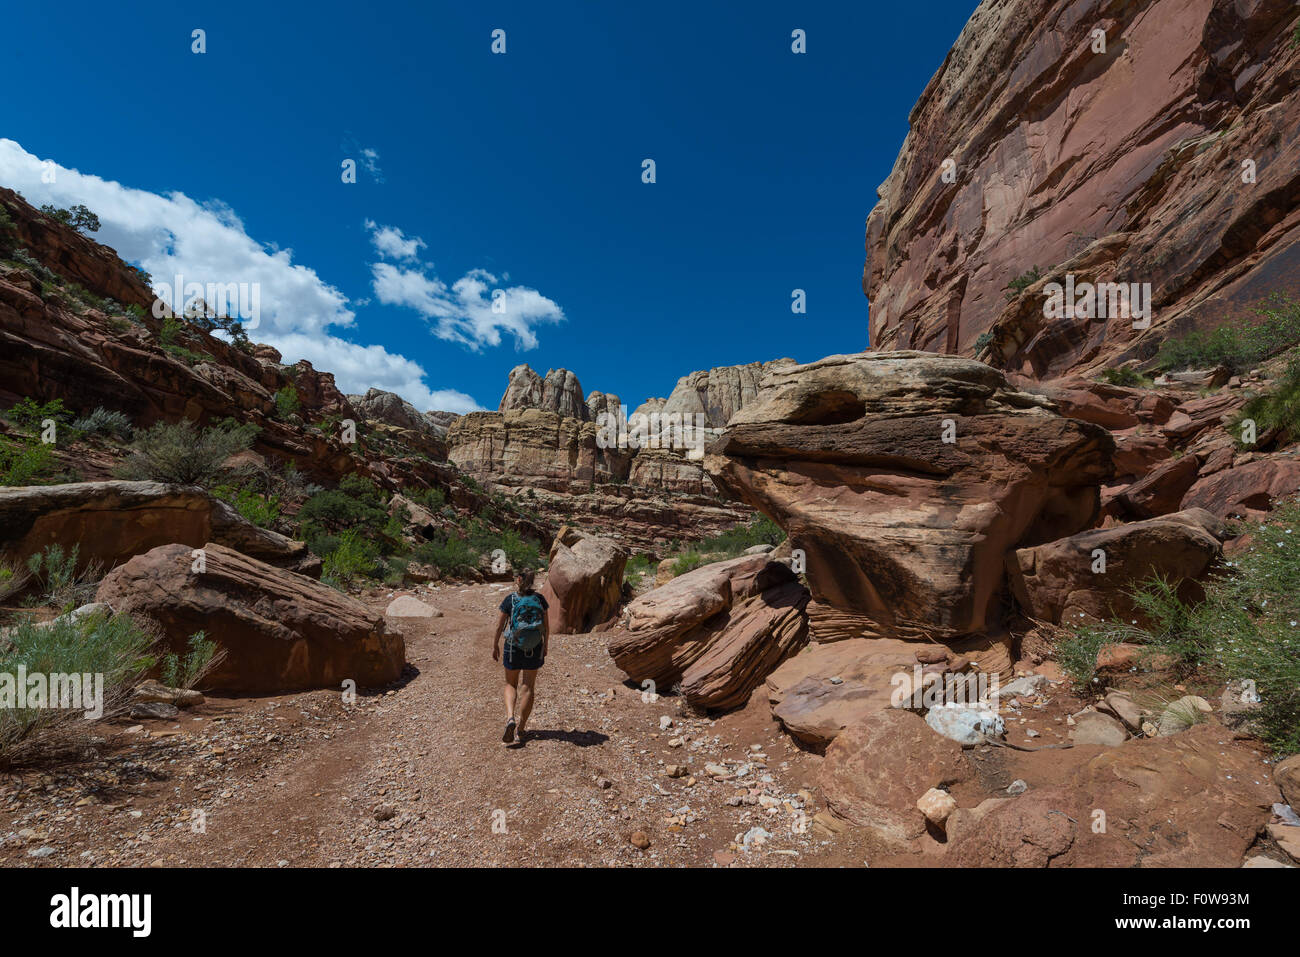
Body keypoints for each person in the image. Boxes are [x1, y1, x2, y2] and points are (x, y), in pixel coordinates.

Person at [492, 569, 549, 745]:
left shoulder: (510, 599)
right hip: (535, 647)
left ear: (518, 579)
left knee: (510, 684)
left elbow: (500, 625)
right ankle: (521, 729)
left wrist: (495, 645)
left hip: (512, 647)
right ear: (532, 581)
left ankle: (510, 718)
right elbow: (546, 627)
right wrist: (545, 646)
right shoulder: (539, 599)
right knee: (528, 686)